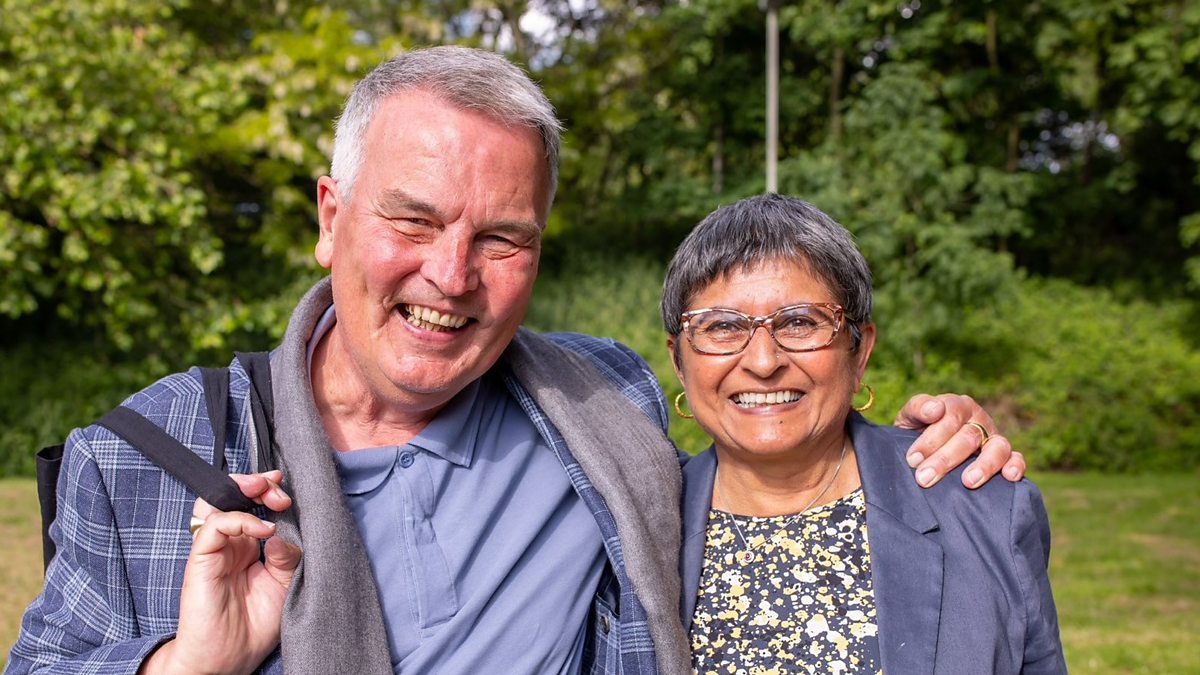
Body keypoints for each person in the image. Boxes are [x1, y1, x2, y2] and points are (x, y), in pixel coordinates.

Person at [8, 48, 1024, 674]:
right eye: (412, 220)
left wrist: (923, 445)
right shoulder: (143, 455)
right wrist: (185, 667)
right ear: (331, 217)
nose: (451, 276)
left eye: (503, 239)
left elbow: (770, 440)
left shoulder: (601, 397)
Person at [666, 194, 1065, 674]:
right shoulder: (631, 528)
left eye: (798, 322)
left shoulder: (984, 509)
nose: (763, 362)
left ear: (860, 352)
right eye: (723, 327)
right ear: (679, 362)